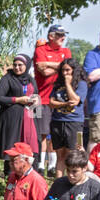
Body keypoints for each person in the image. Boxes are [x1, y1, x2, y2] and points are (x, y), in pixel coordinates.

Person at [34, 25, 72, 176]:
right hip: (41, 100)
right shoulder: (40, 50)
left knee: (55, 134)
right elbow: (42, 71)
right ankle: (40, 164)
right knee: (41, 134)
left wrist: (49, 64)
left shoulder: (66, 51)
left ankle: (52, 166)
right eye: (60, 35)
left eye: (64, 35)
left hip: (59, 99)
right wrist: (60, 67)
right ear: (51, 36)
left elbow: (68, 67)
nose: (63, 38)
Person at [0, 55, 40, 176]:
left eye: (20, 65)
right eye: (15, 65)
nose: (17, 68)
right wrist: (18, 99)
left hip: (29, 118)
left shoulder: (30, 79)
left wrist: (36, 103)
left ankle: (30, 176)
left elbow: (36, 95)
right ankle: (10, 178)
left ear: (27, 66)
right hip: (12, 120)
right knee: (13, 146)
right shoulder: (7, 79)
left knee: (31, 146)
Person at [49, 57, 87, 156]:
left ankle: (75, 172)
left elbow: (75, 100)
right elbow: (51, 103)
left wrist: (67, 84)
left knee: (75, 155)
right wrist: (65, 104)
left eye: (68, 70)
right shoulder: (57, 85)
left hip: (75, 123)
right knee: (60, 156)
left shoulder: (81, 84)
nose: (65, 73)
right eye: (63, 70)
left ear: (74, 70)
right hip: (57, 122)